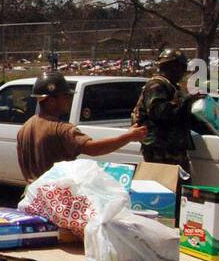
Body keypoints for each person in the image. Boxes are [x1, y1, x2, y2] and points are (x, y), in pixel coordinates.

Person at [16, 70, 146, 182]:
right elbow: (93, 149)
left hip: (33, 196)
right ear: (51, 100)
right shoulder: (62, 129)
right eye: (66, 96)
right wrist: (128, 136)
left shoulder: (26, 128)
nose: (69, 100)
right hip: (57, 198)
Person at [132, 48, 195, 169]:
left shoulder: (171, 86)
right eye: (181, 68)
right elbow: (158, 112)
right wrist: (186, 101)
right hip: (160, 148)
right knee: (164, 185)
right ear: (172, 67)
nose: (183, 72)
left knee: (180, 184)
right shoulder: (156, 85)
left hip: (172, 146)